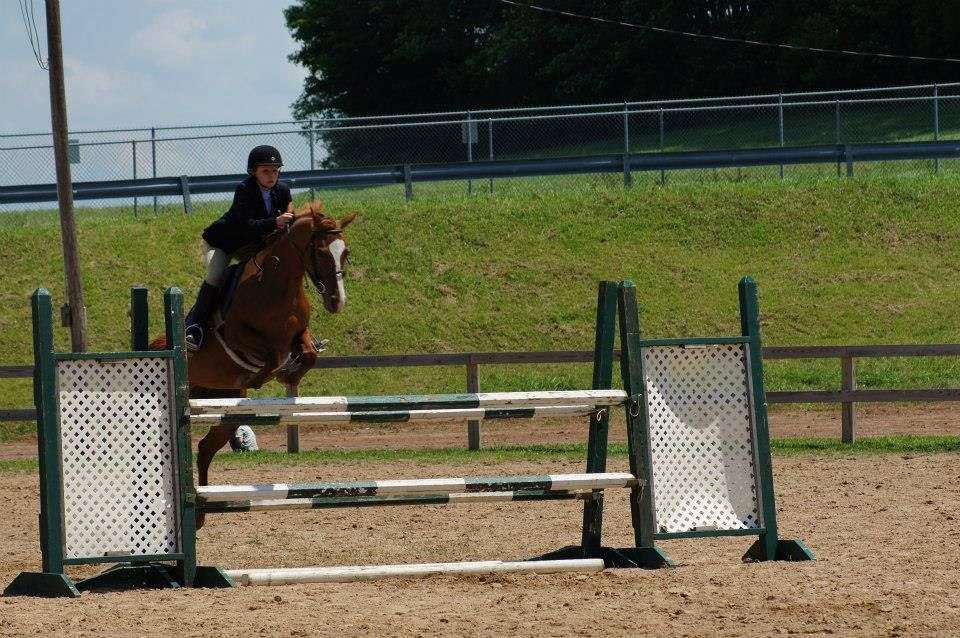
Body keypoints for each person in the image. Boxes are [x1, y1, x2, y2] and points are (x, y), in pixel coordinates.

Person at [184, 145, 294, 351]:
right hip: (223, 243)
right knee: (216, 274)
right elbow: (247, 226)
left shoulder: (283, 190)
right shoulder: (244, 190)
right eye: (266, 171)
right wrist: (276, 221)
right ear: (254, 172)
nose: (272, 176)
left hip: (252, 245)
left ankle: (294, 331)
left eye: (275, 170)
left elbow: (290, 213)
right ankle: (194, 327)